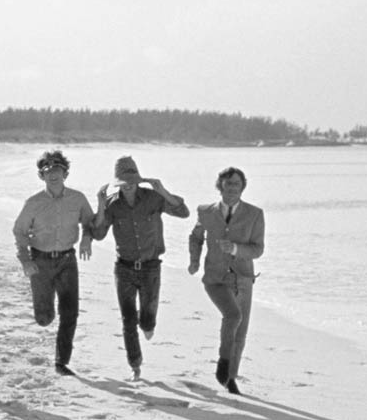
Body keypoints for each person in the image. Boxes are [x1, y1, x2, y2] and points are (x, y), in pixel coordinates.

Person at [92, 156, 190, 380]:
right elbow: (98, 234)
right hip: (123, 269)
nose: (128, 185)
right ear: (117, 183)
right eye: (123, 182)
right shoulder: (112, 204)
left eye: (132, 181)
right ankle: (135, 365)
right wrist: (100, 206)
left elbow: (183, 212)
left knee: (147, 322)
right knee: (128, 320)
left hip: (151, 267)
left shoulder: (153, 198)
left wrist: (163, 191)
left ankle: (146, 322)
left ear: (138, 180)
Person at [13, 150, 94, 376]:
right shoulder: (33, 203)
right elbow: (19, 231)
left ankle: (61, 362)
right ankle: (44, 314)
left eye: (57, 170)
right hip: (40, 262)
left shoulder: (78, 199)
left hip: (67, 260)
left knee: (70, 312)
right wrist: (25, 260)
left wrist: (87, 238)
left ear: (65, 173)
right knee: (44, 318)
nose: (53, 174)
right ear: (41, 176)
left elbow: (89, 222)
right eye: (47, 171)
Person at [188, 166, 264, 395]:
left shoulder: (255, 214)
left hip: (243, 277)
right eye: (228, 183)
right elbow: (196, 237)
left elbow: (258, 249)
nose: (232, 188)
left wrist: (236, 249)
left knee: (240, 330)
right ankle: (223, 365)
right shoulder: (206, 211)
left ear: (243, 188)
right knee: (233, 315)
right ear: (220, 185)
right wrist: (194, 261)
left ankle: (230, 378)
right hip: (215, 278)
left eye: (237, 184)